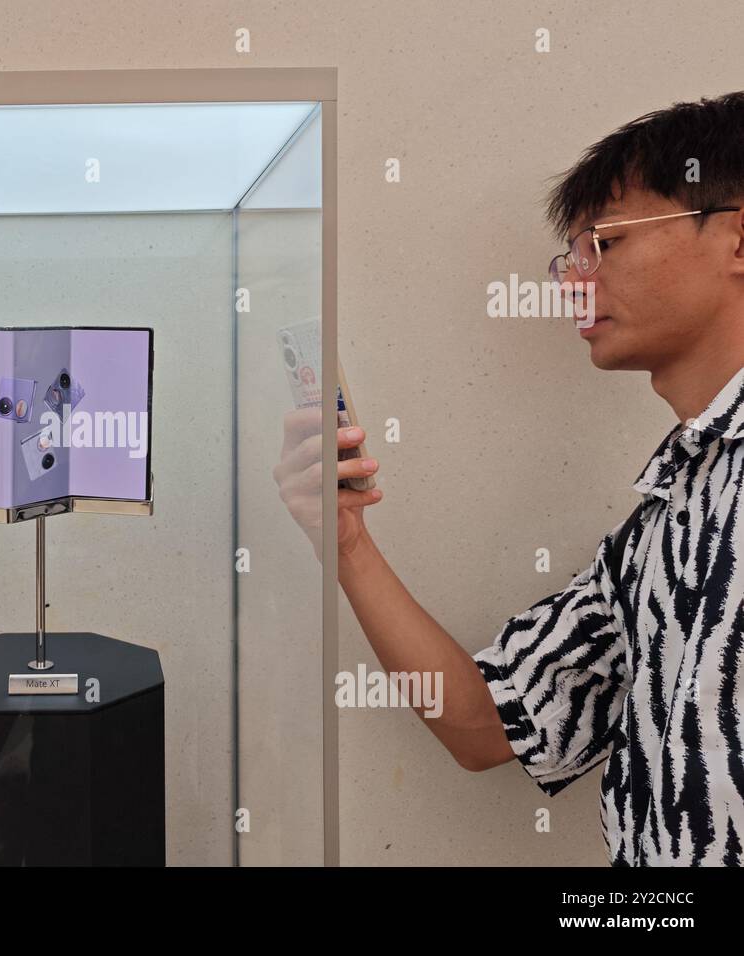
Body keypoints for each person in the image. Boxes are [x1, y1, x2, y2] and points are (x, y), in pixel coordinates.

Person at [274, 91, 744, 866]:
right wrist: (347, 540)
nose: (574, 281)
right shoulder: (663, 522)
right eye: (571, 256)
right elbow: (487, 725)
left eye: (606, 242)